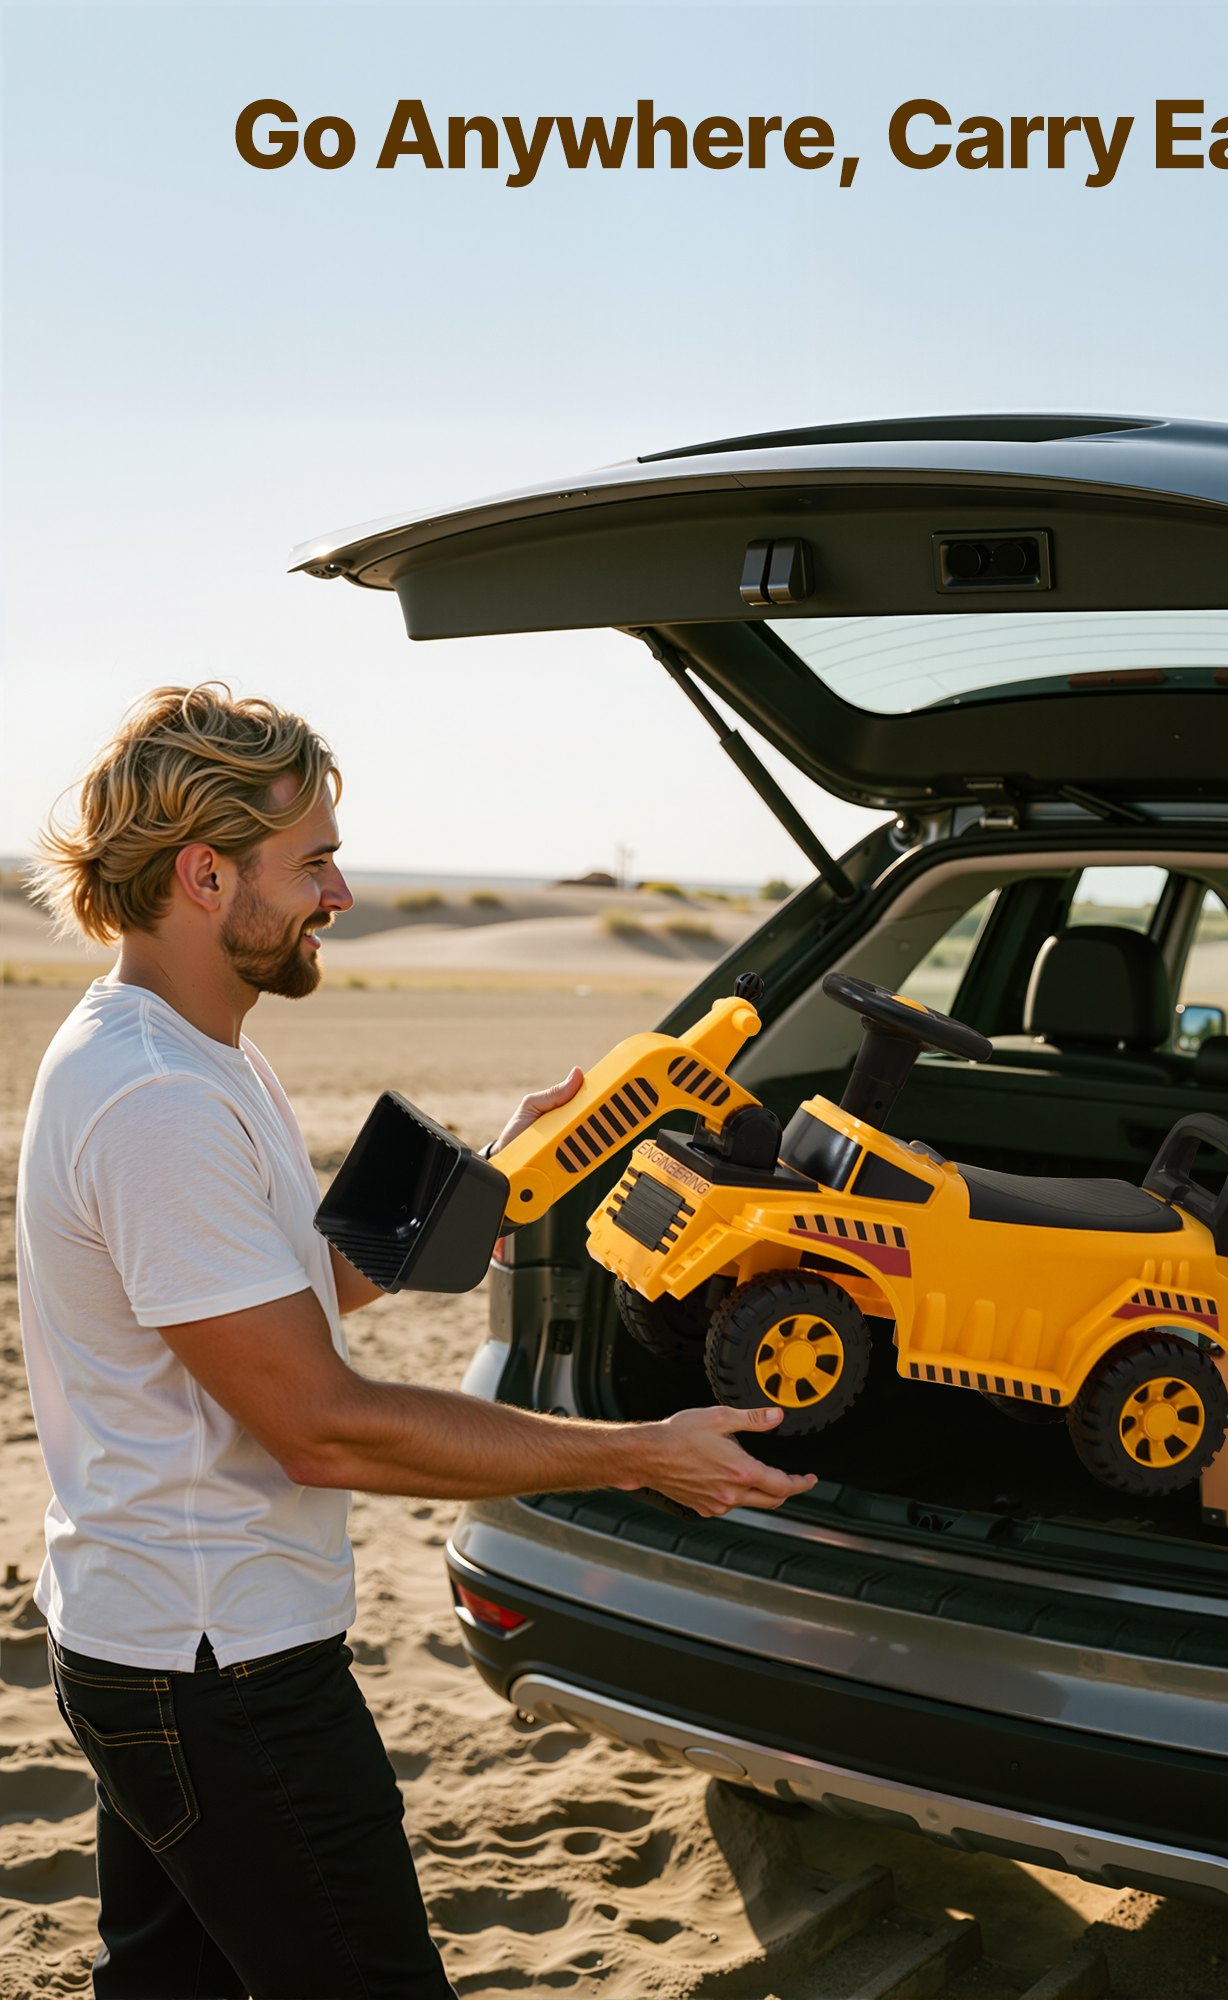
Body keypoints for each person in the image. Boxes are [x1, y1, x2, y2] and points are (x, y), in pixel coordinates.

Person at [16, 684, 814, 2000]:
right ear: (207, 874)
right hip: (224, 1677)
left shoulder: (202, 1054)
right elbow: (319, 1423)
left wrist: (495, 1177)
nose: (340, 891)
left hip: (157, 1647)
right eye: (314, 859)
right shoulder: (153, 1096)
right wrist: (640, 1456)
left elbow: (290, 1290)